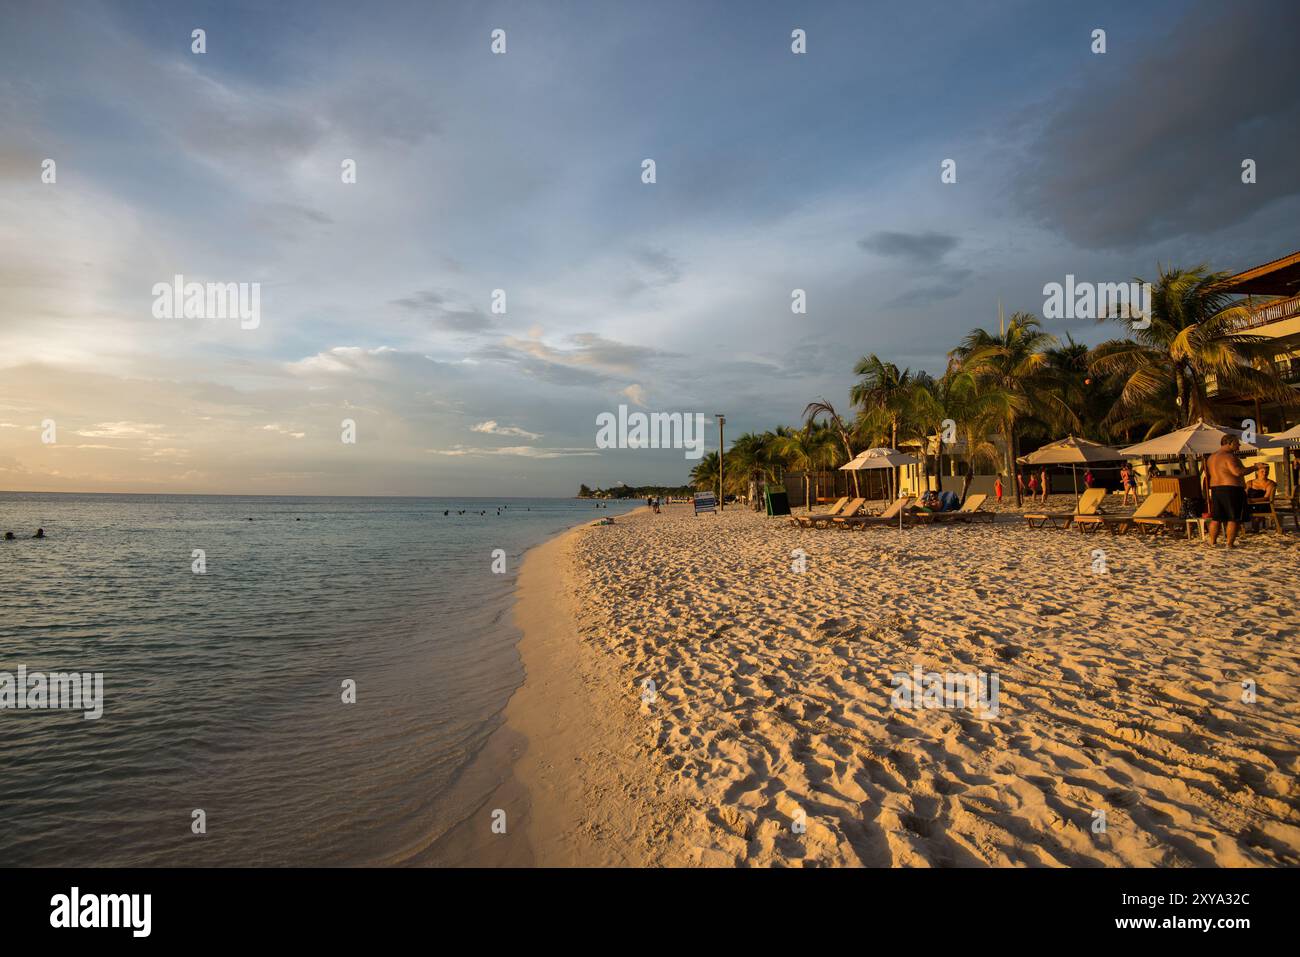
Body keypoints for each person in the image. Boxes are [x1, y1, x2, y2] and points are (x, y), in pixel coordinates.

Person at [1206, 434, 1249, 548]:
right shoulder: (1229, 456)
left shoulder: (1211, 457)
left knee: (1216, 518)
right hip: (1231, 489)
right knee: (1233, 518)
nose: (1239, 445)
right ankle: (1229, 544)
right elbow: (1237, 472)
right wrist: (1255, 467)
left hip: (1216, 489)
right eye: (1237, 443)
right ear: (1229, 443)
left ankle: (1212, 542)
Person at [1246, 463, 1277, 529]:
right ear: (1257, 472)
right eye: (1262, 471)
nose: (1264, 473)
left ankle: (1255, 527)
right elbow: (1244, 494)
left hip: (1263, 505)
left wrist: (1251, 500)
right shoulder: (1249, 483)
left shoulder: (1270, 483)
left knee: (1256, 512)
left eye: (1266, 471)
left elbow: (1266, 498)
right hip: (1250, 505)